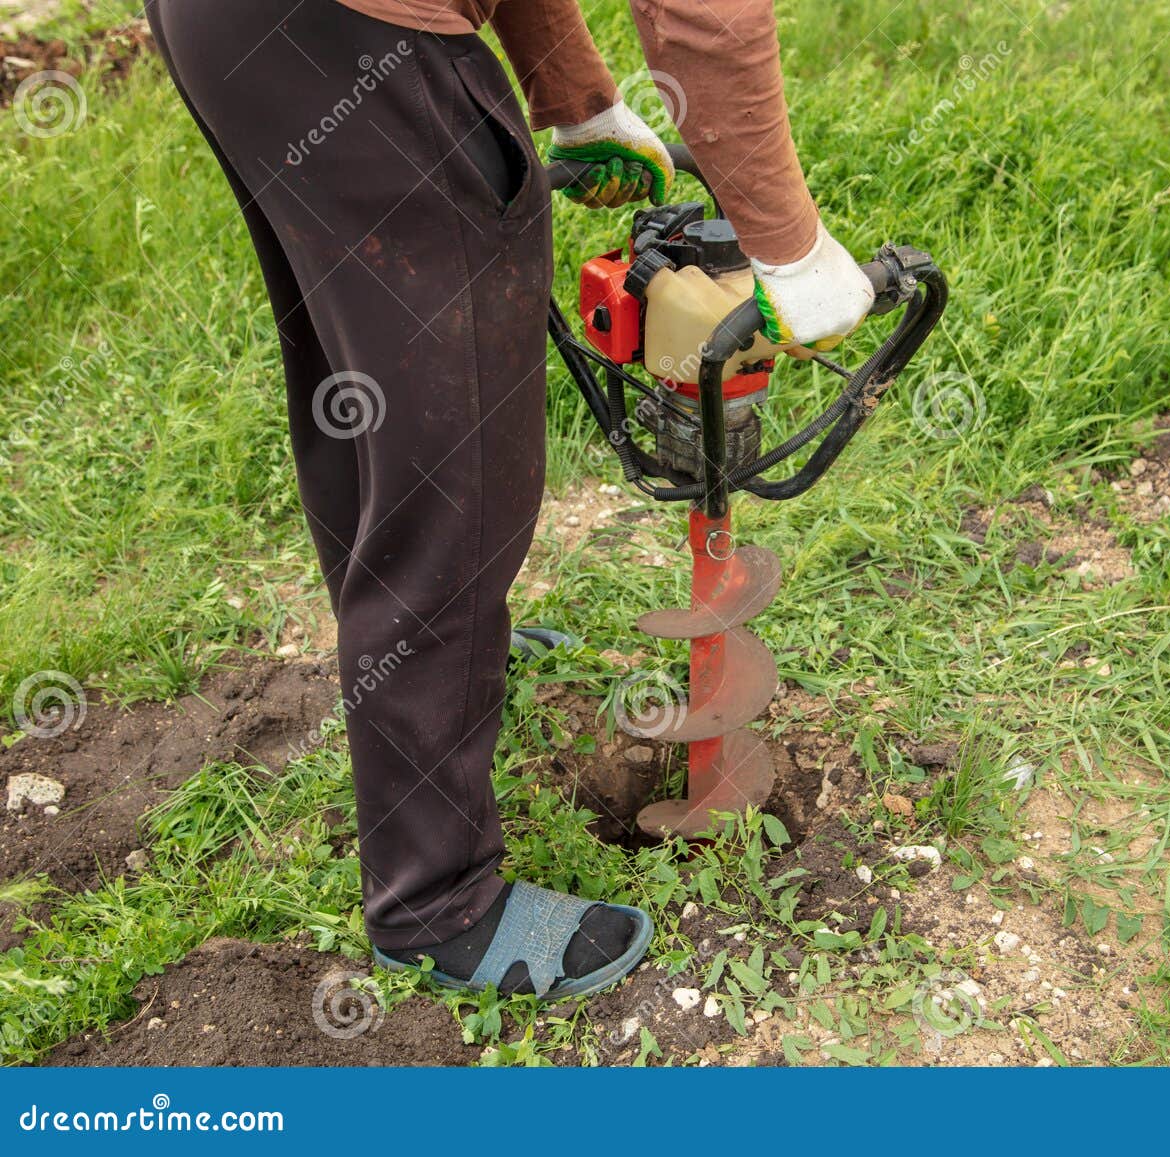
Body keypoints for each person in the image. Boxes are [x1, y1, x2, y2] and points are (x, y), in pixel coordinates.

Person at [145, 0, 874, 1000]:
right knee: (459, 460)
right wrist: (789, 245)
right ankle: (434, 903)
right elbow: (706, 15)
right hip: (352, 39)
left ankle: (418, 669)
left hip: (231, 29)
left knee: (362, 368)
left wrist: (574, 98)